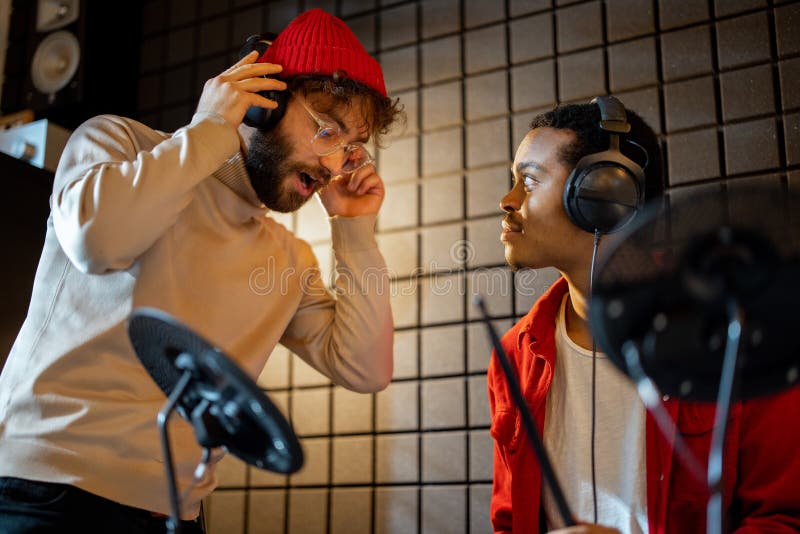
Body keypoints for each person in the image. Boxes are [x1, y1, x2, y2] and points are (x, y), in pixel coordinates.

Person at [0, 8, 402, 533]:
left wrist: (354, 232)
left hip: (174, 512)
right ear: (265, 101)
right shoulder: (118, 144)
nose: (333, 165)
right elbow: (98, 241)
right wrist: (211, 127)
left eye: (350, 149)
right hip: (43, 493)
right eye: (327, 130)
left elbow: (364, 368)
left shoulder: (288, 258)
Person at [488, 98, 800, 533]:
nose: (507, 200)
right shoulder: (514, 356)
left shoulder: (733, 327)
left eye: (529, 181)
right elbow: (509, 522)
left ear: (605, 194)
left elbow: (783, 519)